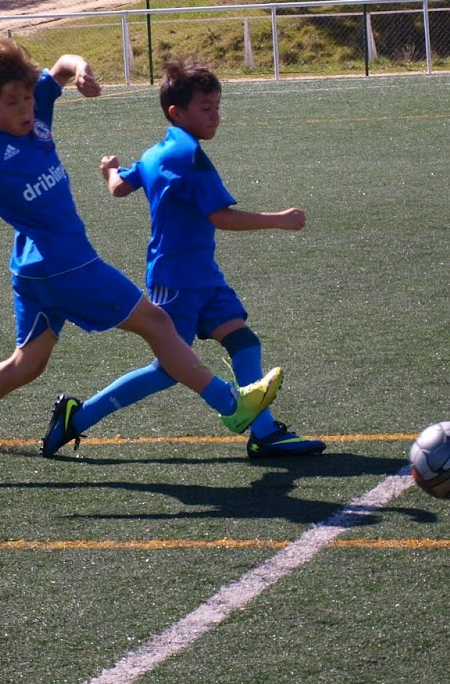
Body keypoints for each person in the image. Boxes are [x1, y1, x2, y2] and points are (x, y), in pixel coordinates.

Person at [0, 40, 281, 482]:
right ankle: (232, 405)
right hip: (68, 265)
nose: (26, 108)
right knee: (158, 324)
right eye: (13, 102)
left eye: (26, 97)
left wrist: (80, 68)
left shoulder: (35, 107)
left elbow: (59, 67)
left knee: (28, 363)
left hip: (32, 267)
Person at [40, 59, 324, 461]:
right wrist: (278, 220)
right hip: (176, 279)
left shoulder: (158, 151)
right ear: (177, 112)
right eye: (206, 109)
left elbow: (120, 187)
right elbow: (220, 217)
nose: (216, 117)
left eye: (217, 107)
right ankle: (77, 418)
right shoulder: (189, 157)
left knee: (243, 339)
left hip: (200, 274)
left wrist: (109, 170)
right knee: (169, 369)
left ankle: (264, 433)